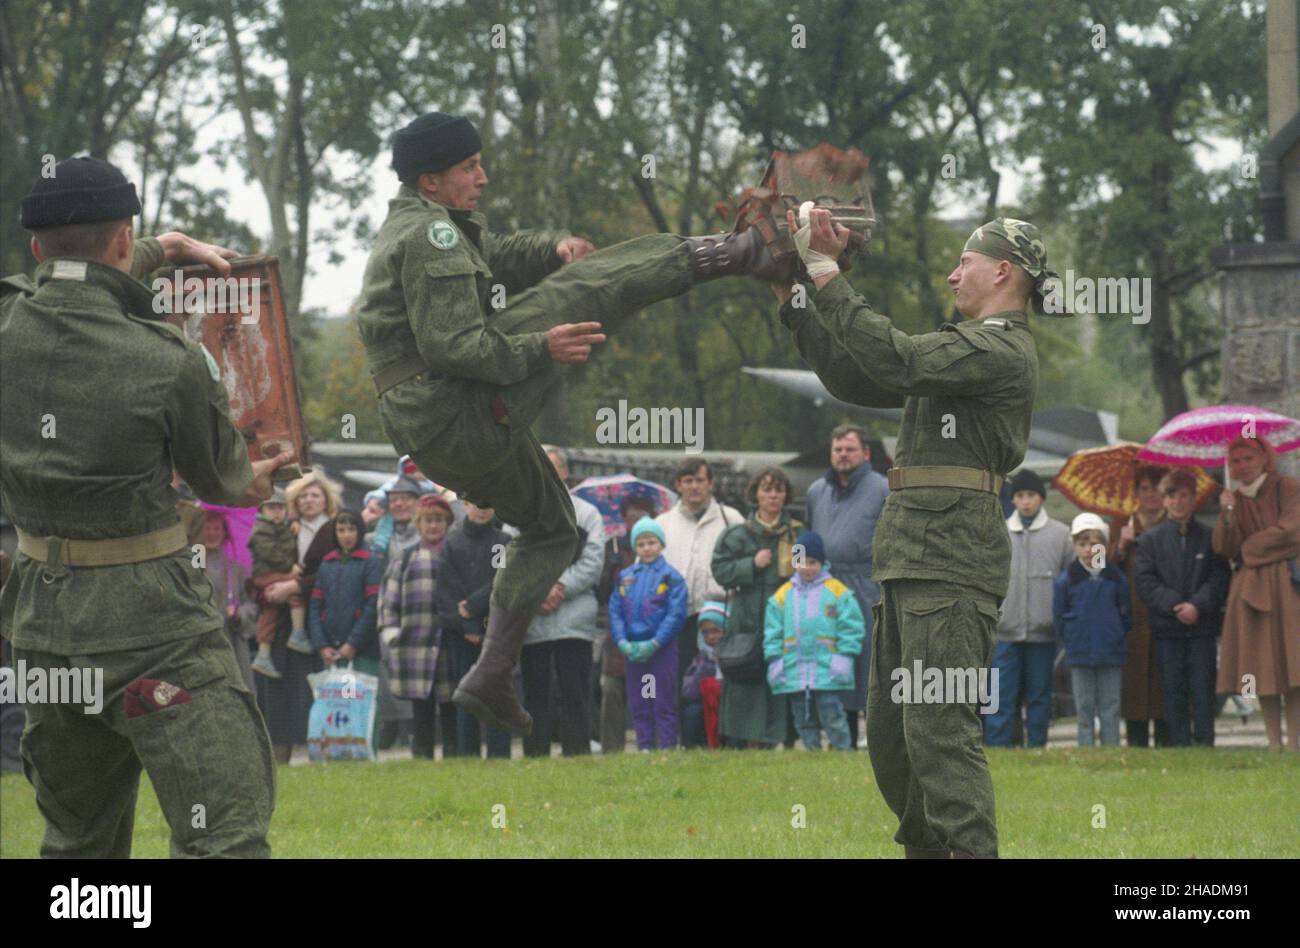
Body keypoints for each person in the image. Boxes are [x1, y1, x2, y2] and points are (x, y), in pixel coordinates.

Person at [356, 112, 793, 737]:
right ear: (430, 181)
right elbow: (454, 345)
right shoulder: (431, 238)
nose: (483, 176)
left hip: (441, 432)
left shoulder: (438, 228)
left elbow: (493, 259)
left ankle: (492, 669)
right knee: (595, 285)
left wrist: (549, 250)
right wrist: (542, 348)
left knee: (553, 528)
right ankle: (751, 250)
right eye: (468, 167)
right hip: (454, 408)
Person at [0, 155, 292, 856]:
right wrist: (263, 474)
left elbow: (80, 275)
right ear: (124, 238)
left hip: (42, 624)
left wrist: (171, 247)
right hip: (155, 631)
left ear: (36, 247)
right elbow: (227, 483)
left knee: (77, 841)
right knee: (222, 833)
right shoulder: (166, 359)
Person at [771, 212, 1054, 858]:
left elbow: (893, 356)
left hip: (950, 565)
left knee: (941, 737)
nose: (954, 274)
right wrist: (793, 297)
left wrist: (823, 269)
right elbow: (859, 375)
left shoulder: (1002, 348)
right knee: (895, 742)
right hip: (914, 562)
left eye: (966, 262)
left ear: (1004, 270)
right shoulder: (966, 350)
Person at [1213, 436, 1300, 752]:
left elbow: (1292, 533)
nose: (1242, 466)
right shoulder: (1232, 499)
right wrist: (1226, 515)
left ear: (1265, 458)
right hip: (1251, 593)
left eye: (1248, 458)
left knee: (1293, 666)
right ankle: (1274, 741)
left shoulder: (1287, 488)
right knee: (1262, 668)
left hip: (1287, 587)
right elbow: (1224, 548)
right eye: (1235, 461)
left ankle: (1295, 742)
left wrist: (1250, 550)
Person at [804, 425, 888, 746]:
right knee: (832, 662)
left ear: (865, 453)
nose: (842, 455)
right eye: (837, 449)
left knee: (867, 666)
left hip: (866, 588)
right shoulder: (815, 491)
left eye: (849, 449)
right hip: (826, 590)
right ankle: (842, 741)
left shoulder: (882, 489)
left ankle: (877, 743)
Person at [518, 447, 606, 757]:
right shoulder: (517, 515)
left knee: (575, 692)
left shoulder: (588, 514)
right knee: (535, 694)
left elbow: (594, 561)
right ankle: (536, 754)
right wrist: (537, 591)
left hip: (575, 622)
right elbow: (510, 560)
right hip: (532, 623)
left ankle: (577, 753)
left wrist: (560, 587)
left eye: (551, 466)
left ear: (565, 472)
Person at [1135, 469, 1231, 747]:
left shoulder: (1210, 537)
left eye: (1184, 496)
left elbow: (1219, 576)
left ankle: (1204, 743)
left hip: (1201, 629)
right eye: (1172, 496)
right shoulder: (1150, 540)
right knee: (1173, 690)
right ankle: (1179, 745)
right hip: (1168, 630)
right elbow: (1146, 581)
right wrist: (1175, 606)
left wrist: (1197, 606)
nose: (1178, 502)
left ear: (1194, 499)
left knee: (1203, 690)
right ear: (1164, 500)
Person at [711, 467, 802, 748]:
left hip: (787, 616)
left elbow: (806, 571)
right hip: (746, 618)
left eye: (778, 490)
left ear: (785, 495)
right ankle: (748, 742)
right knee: (747, 680)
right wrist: (750, 564)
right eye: (766, 489)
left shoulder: (797, 534)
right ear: (756, 494)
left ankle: (785, 739)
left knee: (783, 679)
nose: (772, 495)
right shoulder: (736, 534)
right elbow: (720, 570)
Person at [255, 471, 342, 764]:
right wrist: (271, 587)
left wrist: (295, 586)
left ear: (326, 500)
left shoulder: (335, 530)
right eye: (303, 495)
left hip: (322, 621)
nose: (309, 500)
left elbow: (333, 574)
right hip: (282, 624)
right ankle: (280, 761)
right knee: (280, 695)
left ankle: (324, 758)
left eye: (315, 495)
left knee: (316, 693)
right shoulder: (283, 529)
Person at [985, 469, 1073, 748]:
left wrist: (1103, 553)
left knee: (1039, 696)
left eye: (1031, 495)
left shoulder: (1061, 534)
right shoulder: (997, 532)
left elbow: (1087, 571)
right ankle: (999, 750)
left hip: (1043, 632)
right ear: (1013, 500)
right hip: (1005, 632)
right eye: (1020, 496)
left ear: (1041, 498)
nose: (1025, 502)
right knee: (1000, 696)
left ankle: (1037, 748)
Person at [763, 530, 865, 751]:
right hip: (794, 669)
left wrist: (844, 656)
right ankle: (812, 753)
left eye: (813, 562)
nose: (807, 568)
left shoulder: (838, 592)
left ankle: (842, 751)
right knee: (802, 716)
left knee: (832, 713)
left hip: (827, 669)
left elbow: (852, 628)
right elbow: (772, 632)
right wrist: (775, 660)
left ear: (822, 562)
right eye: (801, 562)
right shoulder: (782, 596)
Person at [656, 459, 744, 698]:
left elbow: (745, 561)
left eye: (700, 480)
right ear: (678, 485)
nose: (694, 486)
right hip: (677, 617)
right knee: (678, 683)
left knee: (719, 686)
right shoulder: (662, 524)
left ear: (710, 484)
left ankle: (718, 736)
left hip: (719, 617)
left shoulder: (731, 519)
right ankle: (680, 735)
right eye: (688, 481)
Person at [435, 500, 514, 759]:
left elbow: (503, 580)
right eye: (475, 502)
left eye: (488, 502)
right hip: (461, 633)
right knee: (465, 693)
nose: (482, 507)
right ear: (465, 504)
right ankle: (466, 753)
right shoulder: (452, 543)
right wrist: (467, 624)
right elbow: (446, 589)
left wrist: (472, 606)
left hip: (496, 630)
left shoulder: (503, 542)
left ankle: (499, 754)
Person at [384, 494, 456, 759]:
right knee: (421, 704)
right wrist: (392, 634)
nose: (433, 526)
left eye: (438, 520)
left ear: (447, 523)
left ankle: (453, 751)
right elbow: (389, 600)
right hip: (414, 643)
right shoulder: (404, 559)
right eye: (428, 521)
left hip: (449, 641)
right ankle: (422, 752)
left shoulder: (454, 554)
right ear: (418, 523)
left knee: (451, 703)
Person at [608, 518, 689, 750]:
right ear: (635, 547)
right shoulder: (625, 576)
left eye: (651, 542)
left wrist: (656, 642)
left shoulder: (670, 576)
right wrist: (622, 640)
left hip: (661, 651)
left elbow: (675, 614)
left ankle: (667, 746)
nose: (646, 548)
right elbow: (616, 609)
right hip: (634, 652)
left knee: (662, 700)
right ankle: (645, 746)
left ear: (661, 544)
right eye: (641, 544)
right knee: (642, 698)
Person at [1054, 514, 1131, 746]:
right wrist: (1071, 639)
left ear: (1105, 546)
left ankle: (1111, 748)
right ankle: (1085, 748)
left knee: (1110, 706)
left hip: (1110, 651)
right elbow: (1059, 618)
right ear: (1075, 546)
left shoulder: (1116, 579)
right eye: (1083, 544)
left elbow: (1126, 615)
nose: (1089, 550)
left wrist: (1116, 636)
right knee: (1084, 707)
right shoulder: (1066, 581)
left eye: (1095, 544)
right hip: (1080, 651)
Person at [1111, 465, 1171, 747]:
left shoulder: (1174, 522)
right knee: (1133, 685)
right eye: (1144, 488)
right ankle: (1135, 743)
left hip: (1165, 616)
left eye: (1156, 488)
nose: (1150, 495)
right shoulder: (1121, 523)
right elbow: (1100, 568)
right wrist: (1120, 546)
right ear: (1135, 493)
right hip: (1131, 618)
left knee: (1164, 685)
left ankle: (1167, 740)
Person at [597, 496, 658, 753]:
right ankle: (611, 749)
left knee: (648, 690)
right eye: (631, 515)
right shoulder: (612, 548)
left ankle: (649, 745)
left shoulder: (657, 550)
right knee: (612, 690)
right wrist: (607, 572)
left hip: (649, 633)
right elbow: (601, 595)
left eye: (641, 515)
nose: (636, 520)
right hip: (618, 634)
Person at [372, 470, 426, 748]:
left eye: (406, 499)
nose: (400, 504)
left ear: (418, 502)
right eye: (395, 500)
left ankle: (419, 733)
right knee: (389, 672)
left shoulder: (427, 532)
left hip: (421, 613)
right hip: (390, 613)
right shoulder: (379, 538)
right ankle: (392, 731)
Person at [248, 486, 304, 679]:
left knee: (270, 611)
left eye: (280, 508)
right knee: (297, 584)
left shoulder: (282, 526)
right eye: (271, 508)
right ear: (262, 510)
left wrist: (293, 523)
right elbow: (270, 552)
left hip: (270, 574)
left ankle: (263, 654)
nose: (276, 512)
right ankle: (298, 633)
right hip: (267, 574)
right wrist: (290, 567)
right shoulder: (261, 528)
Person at [200, 508, 258, 691]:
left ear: (225, 532)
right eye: (206, 528)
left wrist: (239, 613)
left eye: (217, 528)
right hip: (200, 641)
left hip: (230, 641)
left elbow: (251, 605)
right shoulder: (190, 567)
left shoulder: (236, 569)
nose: (212, 533)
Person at [681, 601, 727, 749]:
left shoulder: (736, 654)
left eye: (716, 631)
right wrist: (705, 668)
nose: (711, 636)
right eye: (705, 633)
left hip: (727, 707)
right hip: (706, 707)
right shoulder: (700, 659)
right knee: (691, 712)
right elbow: (687, 693)